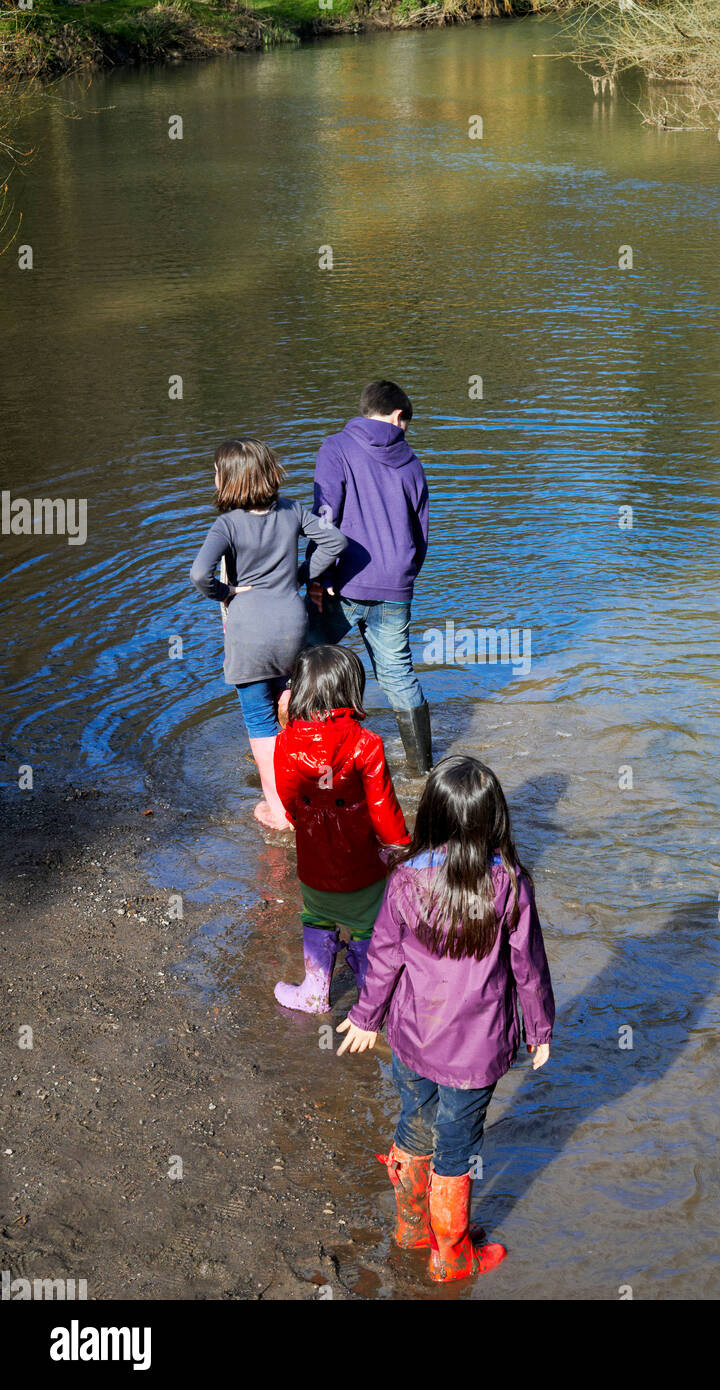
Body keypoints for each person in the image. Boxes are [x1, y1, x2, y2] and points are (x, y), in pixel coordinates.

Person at [336, 755, 555, 1283]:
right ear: (495, 819)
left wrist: (365, 1018)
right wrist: (539, 1029)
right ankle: (451, 1255)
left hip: (412, 1035)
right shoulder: (510, 884)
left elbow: (384, 956)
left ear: (431, 812)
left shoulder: (405, 879)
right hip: (475, 1051)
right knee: (457, 1148)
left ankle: (411, 1228)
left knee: (416, 1119)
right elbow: (528, 966)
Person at [190, 438, 347, 830]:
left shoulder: (226, 524)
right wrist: (300, 575)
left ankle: (280, 811)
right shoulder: (293, 511)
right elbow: (335, 541)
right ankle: (317, 786)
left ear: (228, 480)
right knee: (293, 704)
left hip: (249, 632)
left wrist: (226, 593)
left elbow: (198, 576)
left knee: (260, 724)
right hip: (293, 625)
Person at [272, 644, 410, 1013]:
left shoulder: (285, 742)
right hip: (361, 862)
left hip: (313, 859)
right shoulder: (367, 745)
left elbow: (287, 799)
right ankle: (372, 996)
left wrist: (304, 825)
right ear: (351, 689)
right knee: (368, 925)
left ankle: (315, 992)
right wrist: (401, 847)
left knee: (316, 915)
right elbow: (383, 809)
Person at [307, 380, 432, 776]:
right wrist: (405, 576)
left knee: (302, 659)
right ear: (398, 417)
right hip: (395, 586)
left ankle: (304, 757)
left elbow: (324, 516)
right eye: (406, 424)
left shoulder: (336, 448)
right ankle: (421, 770)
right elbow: (421, 533)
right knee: (397, 673)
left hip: (341, 582)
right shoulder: (411, 462)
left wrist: (316, 575)